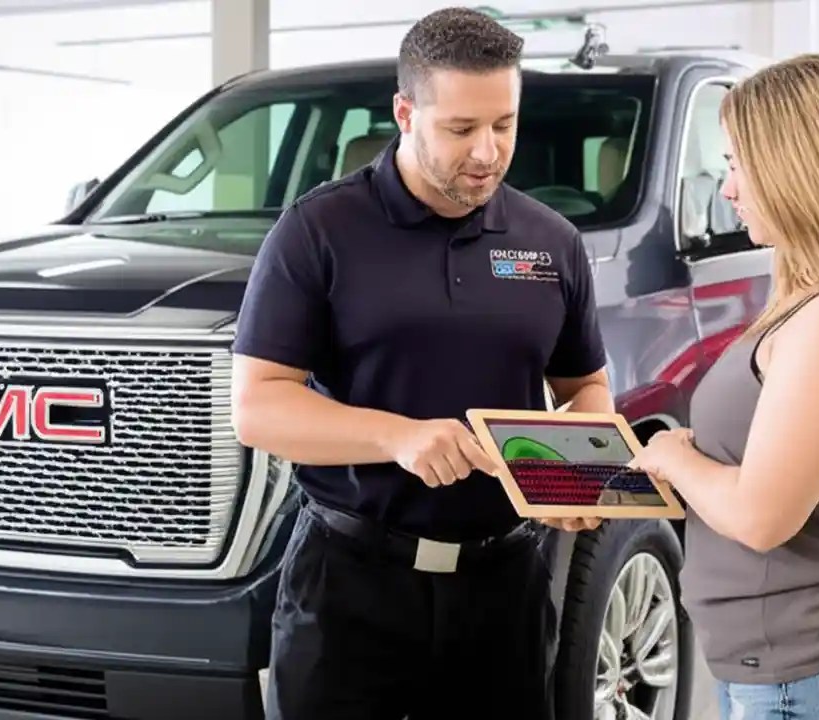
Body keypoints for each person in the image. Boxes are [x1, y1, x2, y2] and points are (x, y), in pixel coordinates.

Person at [229, 7, 612, 720]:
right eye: (461, 129)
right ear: (404, 112)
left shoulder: (550, 241)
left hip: (505, 588)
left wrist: (575, 475)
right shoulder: (318, 231)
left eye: (504, 125)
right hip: (349, 589)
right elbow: (257, 407)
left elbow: (584, 384)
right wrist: (396, 436)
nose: (488, 153)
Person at [630, 54, 819, 719]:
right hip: (793, 668)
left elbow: (762, 517)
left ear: (798, 167)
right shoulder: (814, 301)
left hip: (814, 676)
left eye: (738, 163)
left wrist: (676, 458)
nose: (729, 187)